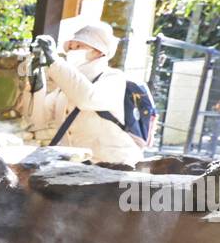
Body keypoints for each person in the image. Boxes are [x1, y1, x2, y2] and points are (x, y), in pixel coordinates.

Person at [22, 21, 143, 168]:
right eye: (71, 47)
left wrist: (55, 62)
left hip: (116, 166)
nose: (72, 50)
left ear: (100, 51)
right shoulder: (65, 85)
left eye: (79, 46)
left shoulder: (113, 77)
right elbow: (37, 120)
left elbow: (87, 99)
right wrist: (36, 84)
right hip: (77, 168)